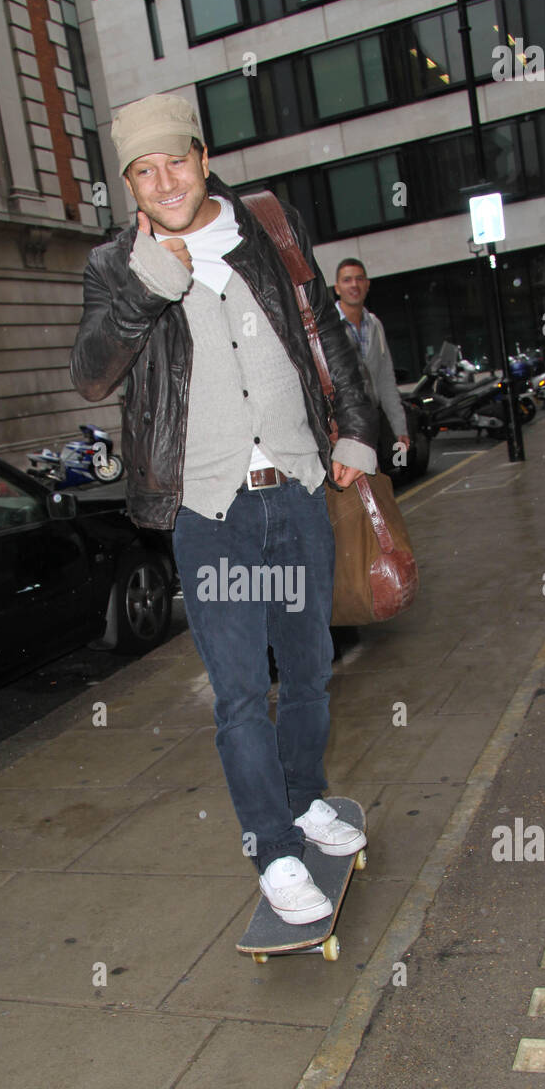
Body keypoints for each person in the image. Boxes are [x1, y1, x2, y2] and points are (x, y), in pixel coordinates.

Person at [69, 93, 378, 926]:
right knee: (242, 695)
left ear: (203, 159)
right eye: (143, 171)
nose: (164, 181)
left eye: (176, 161)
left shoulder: (267, 227)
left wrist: (358, 427)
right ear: (129, 184)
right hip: (210, 511)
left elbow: (324, 334)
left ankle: (308, 799)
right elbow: (93, 373)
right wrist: (150, 285)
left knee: (310, 672)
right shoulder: (113, 264)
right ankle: (273, 849)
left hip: (301, 487)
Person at [333, 259, 410, 463]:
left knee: (375, 483)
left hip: (372, 422)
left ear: (367, 284)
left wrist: (399, 427)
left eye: (359, 279)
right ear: (337, 288)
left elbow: (386, 380)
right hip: (343, 426)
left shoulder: (374, 325)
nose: (354, 285)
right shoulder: (328, 327)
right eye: (347, 280)